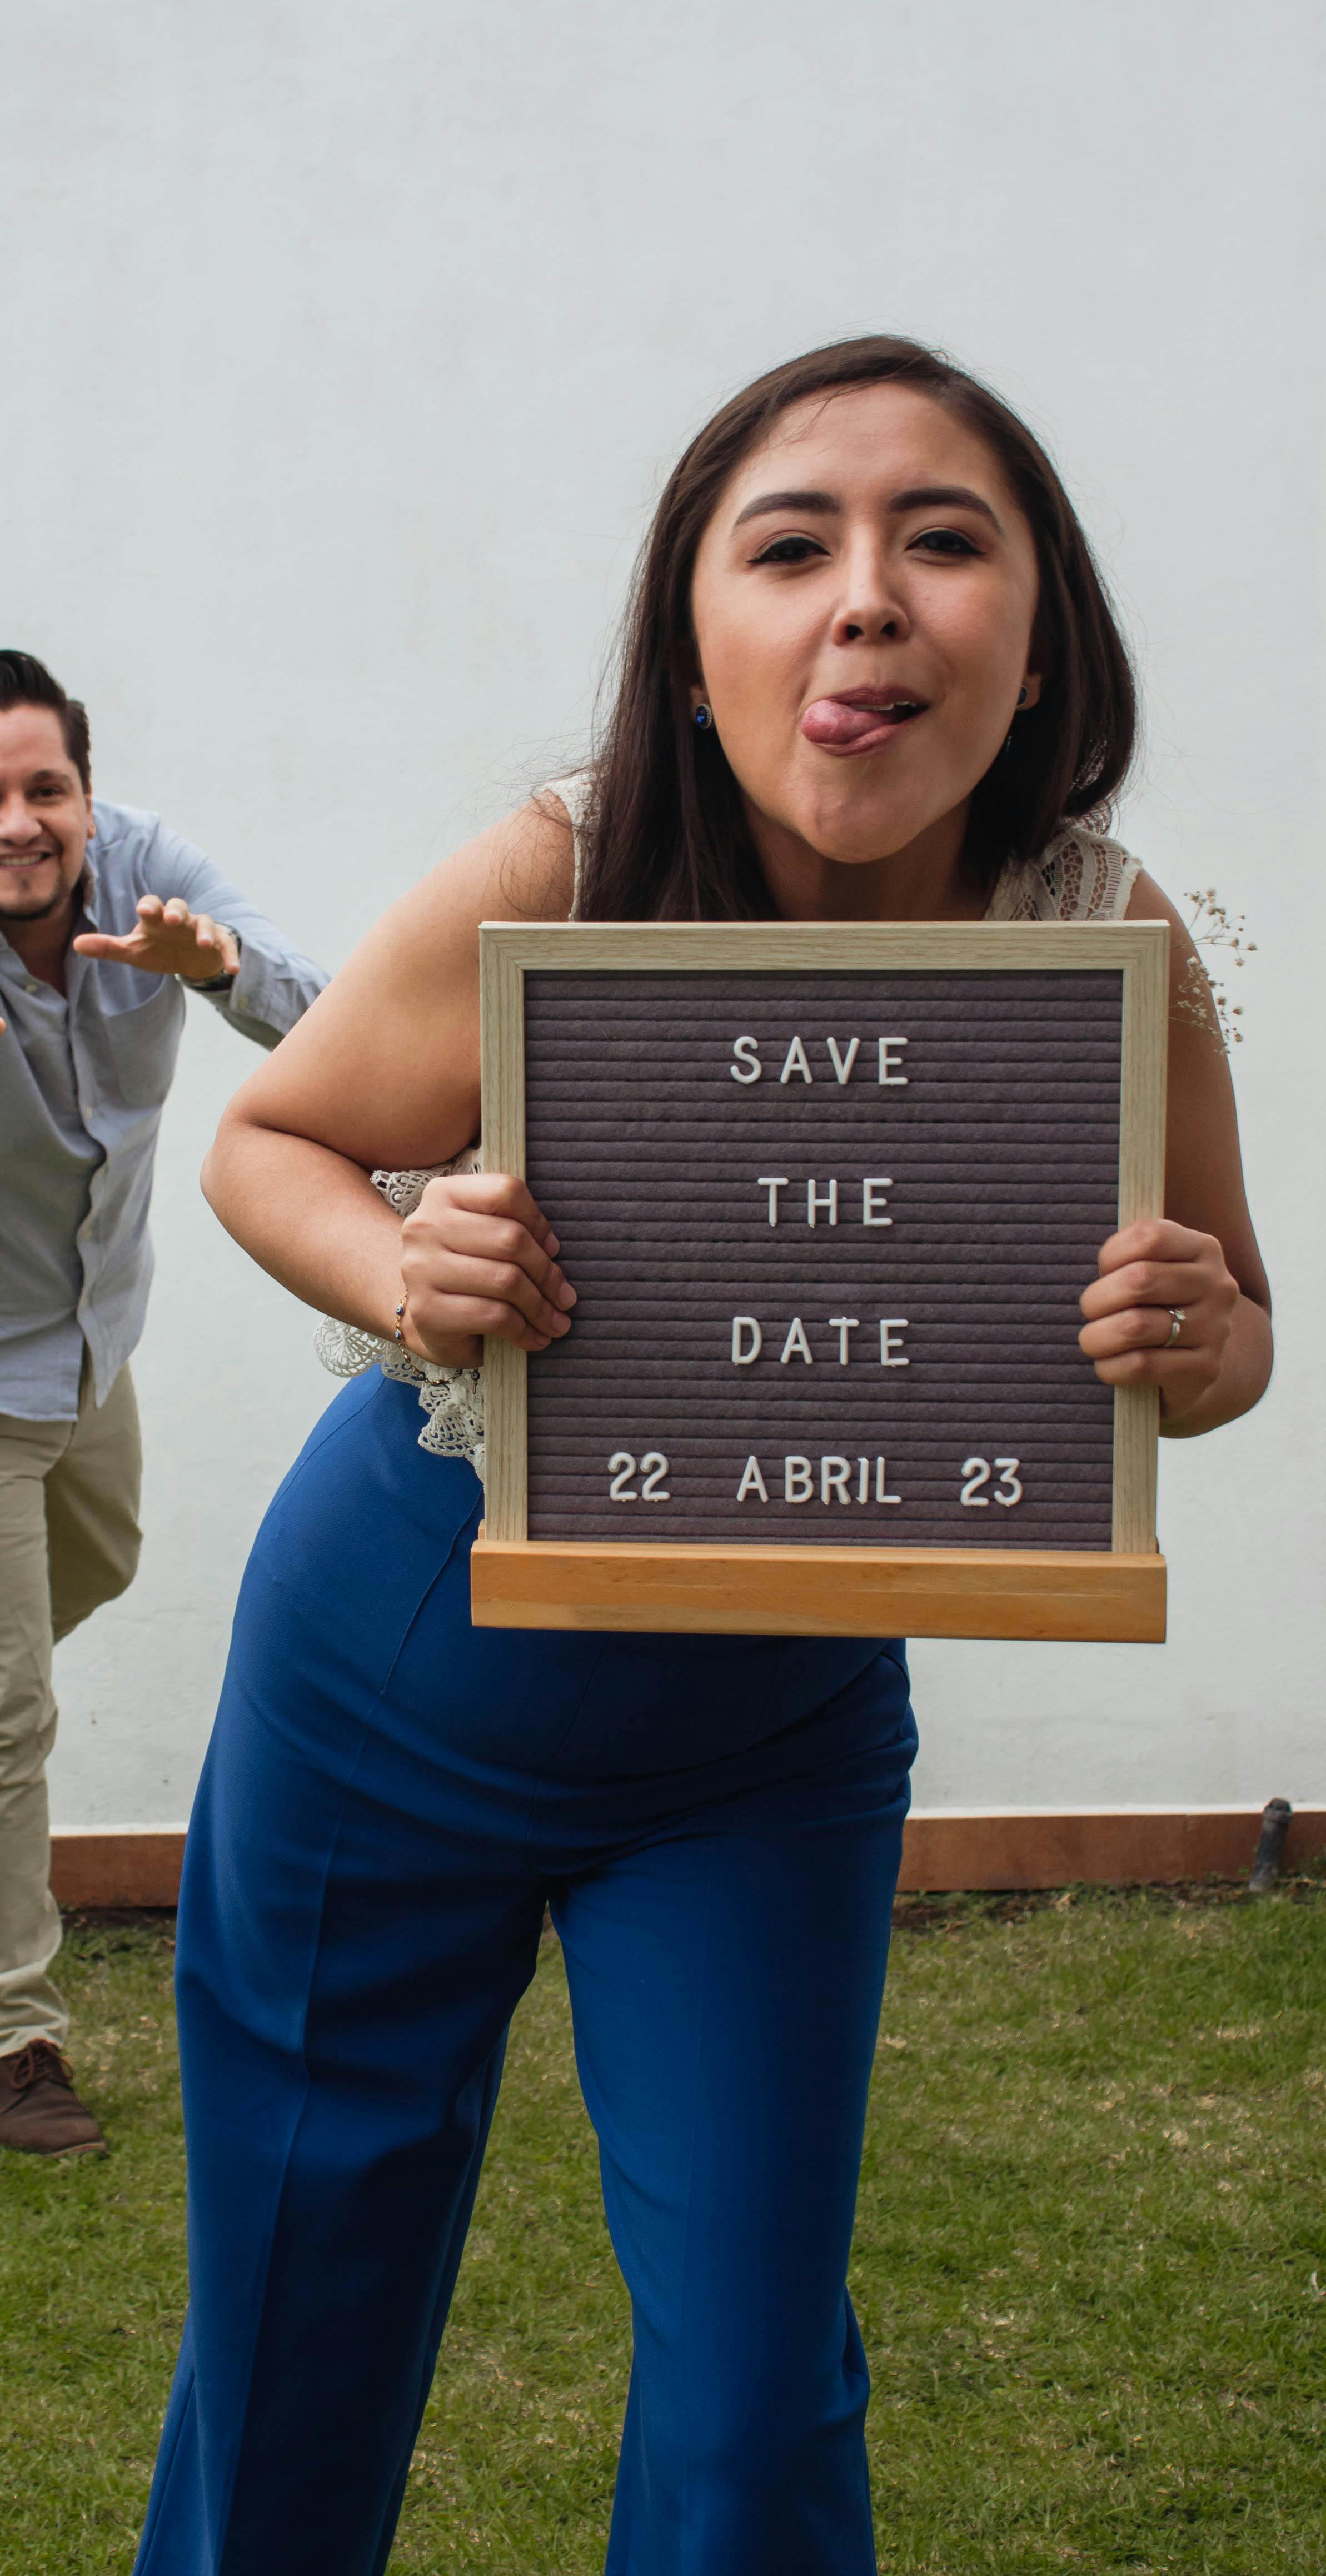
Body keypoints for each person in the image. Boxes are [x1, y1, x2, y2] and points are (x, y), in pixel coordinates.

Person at [132, 338, 1272, 2573]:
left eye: (940, 542)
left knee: (753, 2410)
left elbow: (1226, 1326)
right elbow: (268, 1140)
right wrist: (405, 1267)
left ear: (1040, 643)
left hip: (766, 1740)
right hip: (394, 1674)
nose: (866, 599)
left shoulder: (1096, 937)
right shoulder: (561, 873)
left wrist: (1202, 1335)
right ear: (688, 643)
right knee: (297, 2321)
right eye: (790, 546)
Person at [0, 648, 327, 2156]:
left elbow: (320, 1008)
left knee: (97, 1564)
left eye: (47, 788)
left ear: (89, 797)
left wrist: (215, 967)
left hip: (85, 1341)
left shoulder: (149, 877)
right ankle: (13, 2042)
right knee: (8, 1701)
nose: (18, 821)